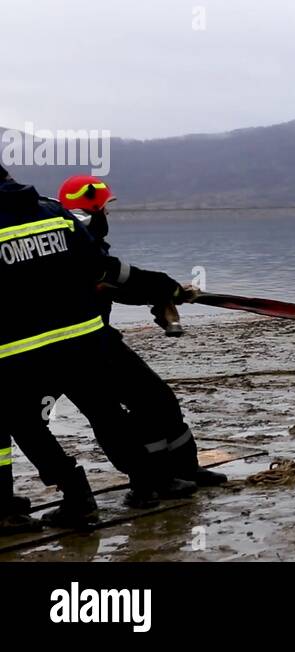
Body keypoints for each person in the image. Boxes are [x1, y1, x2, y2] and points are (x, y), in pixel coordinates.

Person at [0, 164, 192, 533]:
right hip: (86, 340)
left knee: (27, 426)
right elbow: (102, 269)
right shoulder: (51, 211)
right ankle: (146, 481)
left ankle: (77, 496)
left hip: (19, 351)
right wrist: (161, 286)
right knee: (106, 412)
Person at [56, 176, 226, 492]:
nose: (108, 213)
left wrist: (163, 295)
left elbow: (113, 288)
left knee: (156, 399)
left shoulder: (85, 242)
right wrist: (166, 287)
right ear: (92, 209)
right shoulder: (73, 247)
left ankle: (184, 470)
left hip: (99, 339)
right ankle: (148, 481)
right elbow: (118, 277)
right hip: (69, 350)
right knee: (110, 418)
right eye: (105, 208)